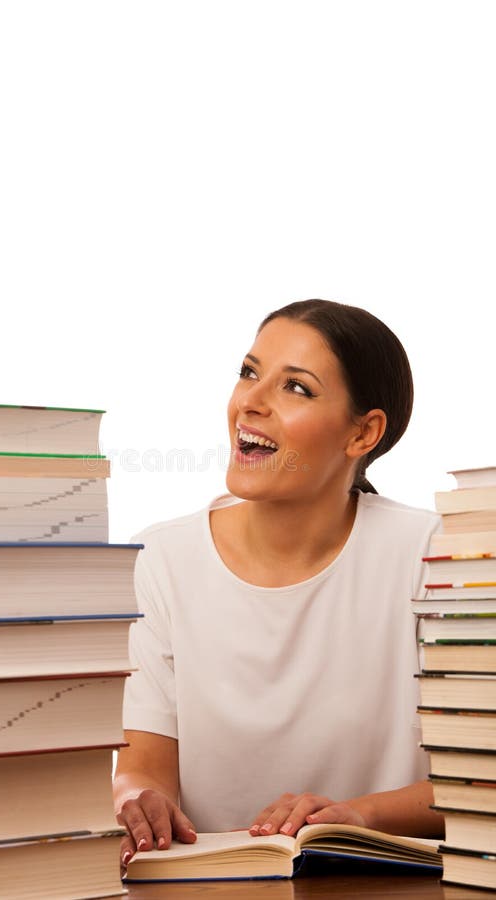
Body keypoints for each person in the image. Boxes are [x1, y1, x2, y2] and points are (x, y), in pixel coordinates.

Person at [113, 299, 445, 867]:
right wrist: (140, 801)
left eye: (296, 388)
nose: (251, 402)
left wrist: (361, 815)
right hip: (208, 886)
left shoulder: (430, 556)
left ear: (363, 433)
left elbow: (480, 781)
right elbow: (145, 764)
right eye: (249, 373)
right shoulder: (163, 557)